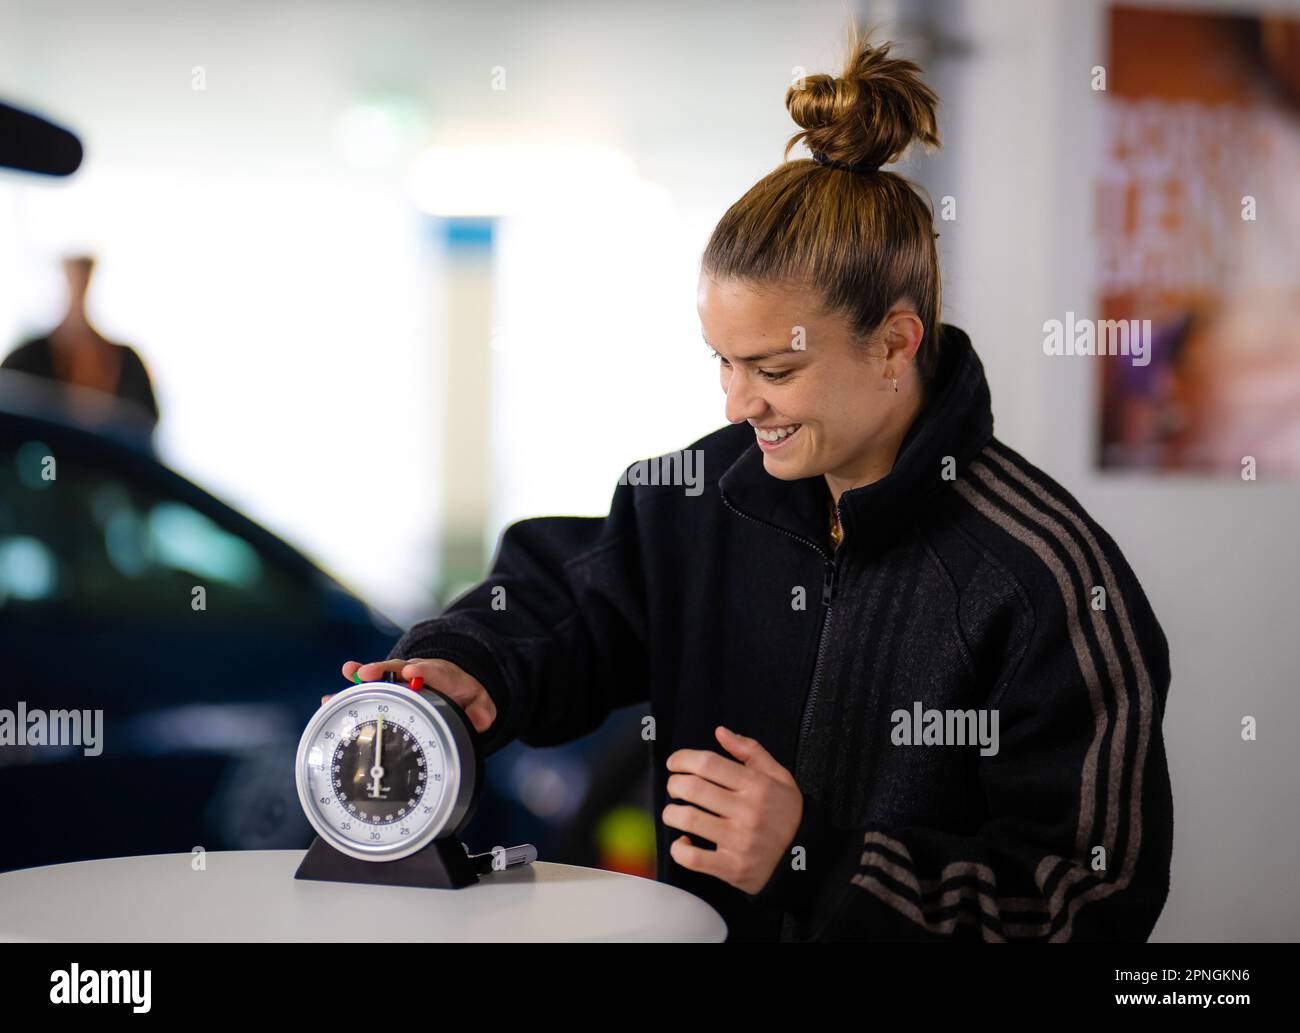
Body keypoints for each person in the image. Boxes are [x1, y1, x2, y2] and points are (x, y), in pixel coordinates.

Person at [338, 32, 1174, 942]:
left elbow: (1088, 906)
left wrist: (818, 858)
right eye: (723, 363)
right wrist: (471, 663)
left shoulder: (1047, 580)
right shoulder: (697, 494)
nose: (739, 405)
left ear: (896, 342)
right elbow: (561, 605)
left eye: (773, 368)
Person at [1, 254, 160, 436]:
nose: (78, 287)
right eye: (72, 276)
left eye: (83, 276)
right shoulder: (23, 361)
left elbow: (146, 429)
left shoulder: (130, 367)